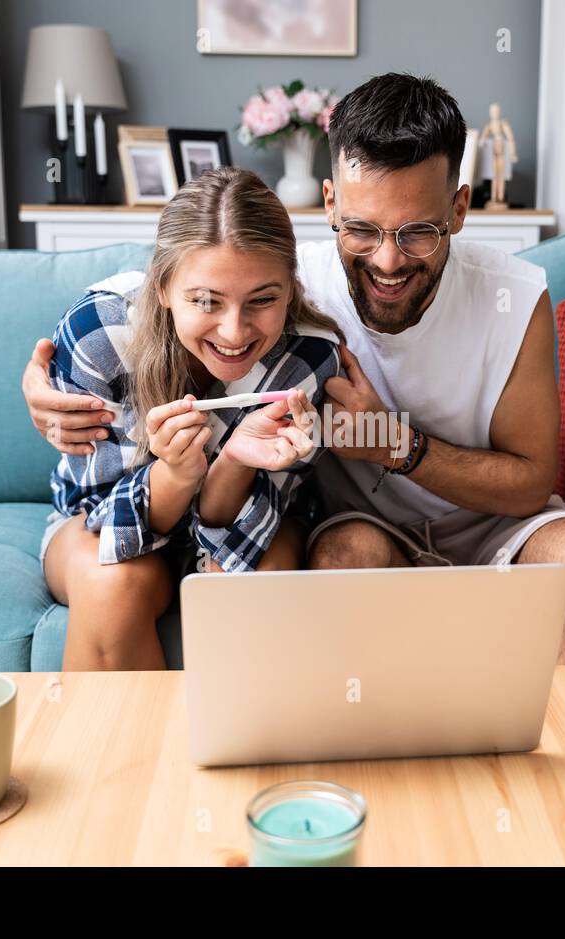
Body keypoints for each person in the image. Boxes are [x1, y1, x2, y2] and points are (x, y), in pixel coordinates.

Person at [23, 74, 565, 665]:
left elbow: (531, 483)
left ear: (458, 209)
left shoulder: (513, 297)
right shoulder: (284, 282)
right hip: (362, 529)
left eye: (419, 231)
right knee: (344, 560)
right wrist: (44, 379)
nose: (389, 261)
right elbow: (179, 278)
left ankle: (560, 764)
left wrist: (391, 444)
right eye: (362, 229)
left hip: (496, 527)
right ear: (330, 203)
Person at [40, 167, 341, 671]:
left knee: (251, 585)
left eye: (263, 300)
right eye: (206, 301)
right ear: (162, 286)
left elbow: (241, 534)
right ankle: (121, 749)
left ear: (290, 289)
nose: (234, 330)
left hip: (245, 521)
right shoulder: (99, 335)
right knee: (110, 582)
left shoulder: (306, 361)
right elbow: (100, 518)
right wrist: (174, 475)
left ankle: (241, 745)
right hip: (107, 522)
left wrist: (234, 462)